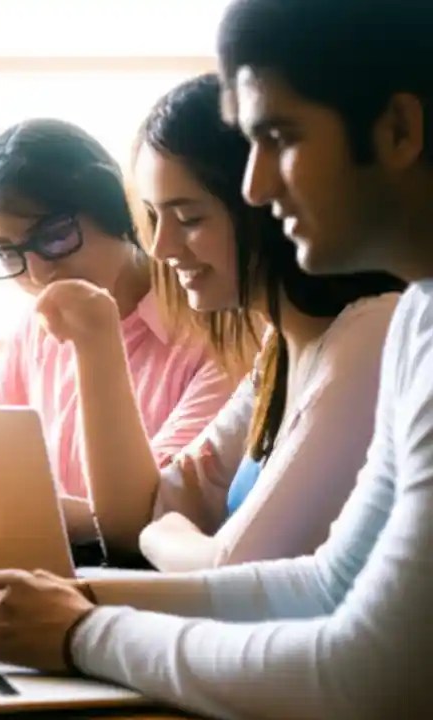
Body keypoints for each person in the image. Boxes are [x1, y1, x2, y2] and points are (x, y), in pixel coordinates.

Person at [0, 1, 433, 717]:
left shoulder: (377, 327)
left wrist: (85, 630)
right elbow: (321, 585)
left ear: (398, 129)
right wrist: (70, 599)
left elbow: (369, 675)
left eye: (280, 137)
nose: (257, 188)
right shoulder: (417, 320)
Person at [40, 73, 403, 573]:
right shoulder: (279, 355)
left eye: (188, 219)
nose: (162, 249)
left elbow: (235, 570)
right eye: (153, 217)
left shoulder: (368, 336)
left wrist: (167, 532)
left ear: (265, 202)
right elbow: (132, 521)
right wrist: (96, 340)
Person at [0, 119, 233, 551]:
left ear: (117, 211)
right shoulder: (34, 332)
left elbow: (149, 512)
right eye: (8, 252)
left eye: (53, 236)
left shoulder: (214, 335)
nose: (37, 272)